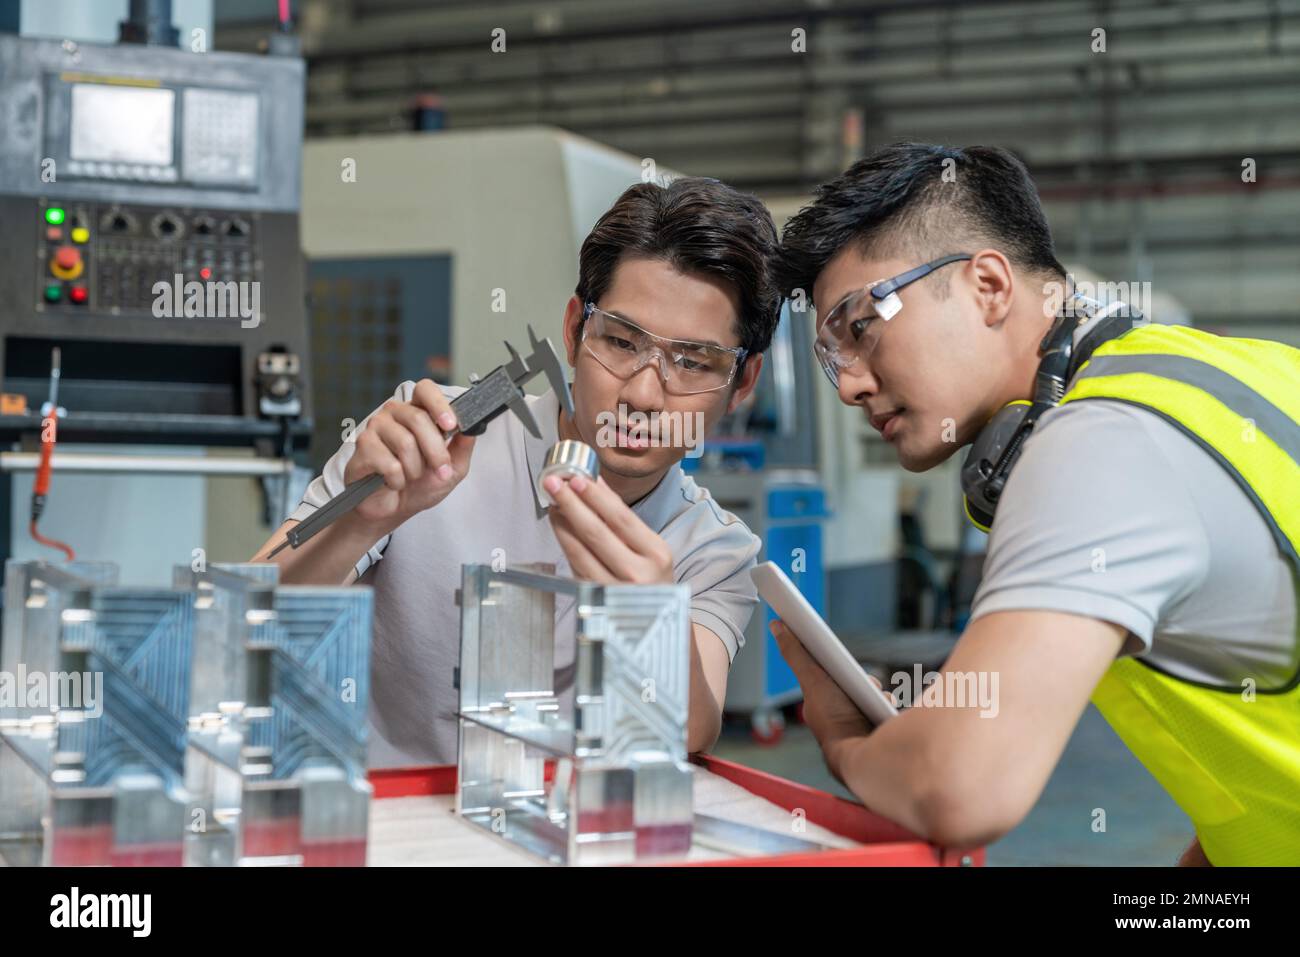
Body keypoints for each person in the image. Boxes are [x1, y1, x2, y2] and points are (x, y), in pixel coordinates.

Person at [772, 142, 1300, 866]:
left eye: (860, 326)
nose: (849, 385)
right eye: (833, 356)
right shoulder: (1243, 373)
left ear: (988, 286)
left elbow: (960, 786)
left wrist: (845, 740)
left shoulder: (1100, 438)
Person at [252, 176, 782, 765]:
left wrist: (649, 618)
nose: (645, 395)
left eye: (693, 362)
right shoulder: (436, 436)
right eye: (623, 342)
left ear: (744, 384)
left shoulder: (713, 550)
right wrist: (359, 522)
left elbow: (691, 731)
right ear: (576, 328)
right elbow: (251, 620)